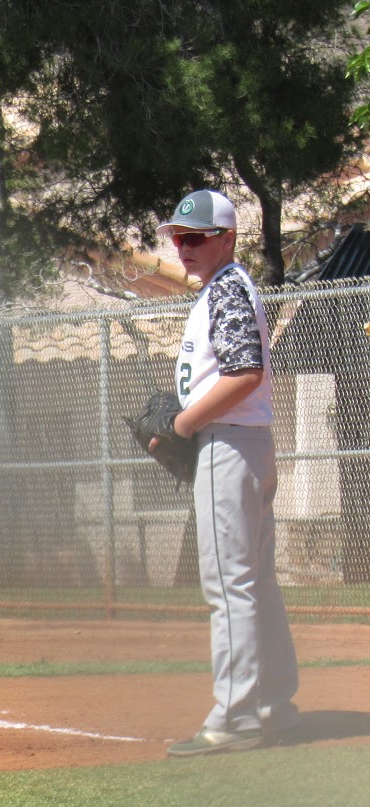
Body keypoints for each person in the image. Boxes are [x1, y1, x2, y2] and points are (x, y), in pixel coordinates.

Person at [153, 189, 300, 757]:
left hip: (229, 444)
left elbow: (244, 373)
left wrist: (185, 425)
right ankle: (273, 707)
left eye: (195, 237)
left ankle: (234, 717)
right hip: (247, 444)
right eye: (177, 237)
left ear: (227, 238)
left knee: (229, 586)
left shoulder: (230, 289)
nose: (182, 247)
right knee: (255, 582)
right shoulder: (225, 289)